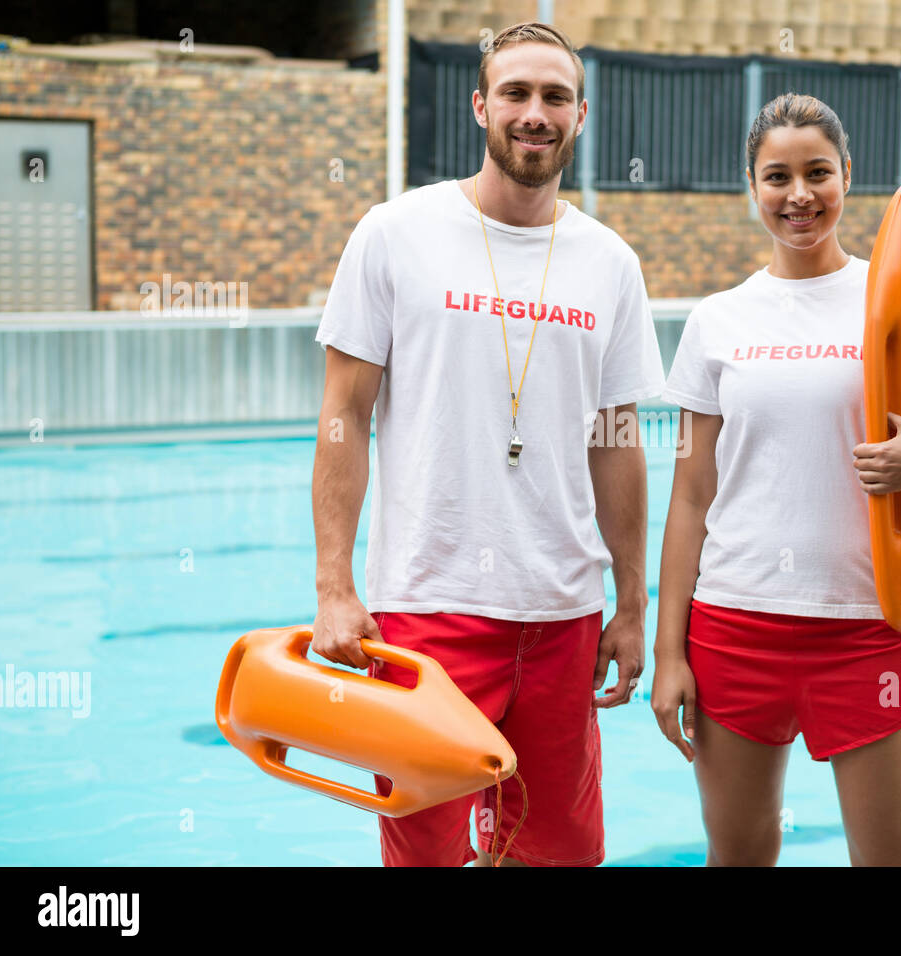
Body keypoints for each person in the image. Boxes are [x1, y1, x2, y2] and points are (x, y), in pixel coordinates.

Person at [651, 93, 901, 867]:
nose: (799, 195)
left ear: (847, 176)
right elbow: (691, 497)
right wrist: (670, 654)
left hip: (872, 631)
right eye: (777, 177)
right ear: (751, 187)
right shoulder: (718, 320)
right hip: (734, 628)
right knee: (738, 857)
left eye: (817, 173)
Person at [310, 21, 665, 867]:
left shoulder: (610, 262)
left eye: (554, 97)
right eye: (516, 93)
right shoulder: (395, 233)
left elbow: (617, 441)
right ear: (480, 105)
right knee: (425, 852)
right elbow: (342, 417)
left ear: (580, 115)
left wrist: (632, 606)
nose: (534, 113)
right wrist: (333, 585)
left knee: (558, 853)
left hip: (563, 617)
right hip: (426, 609)